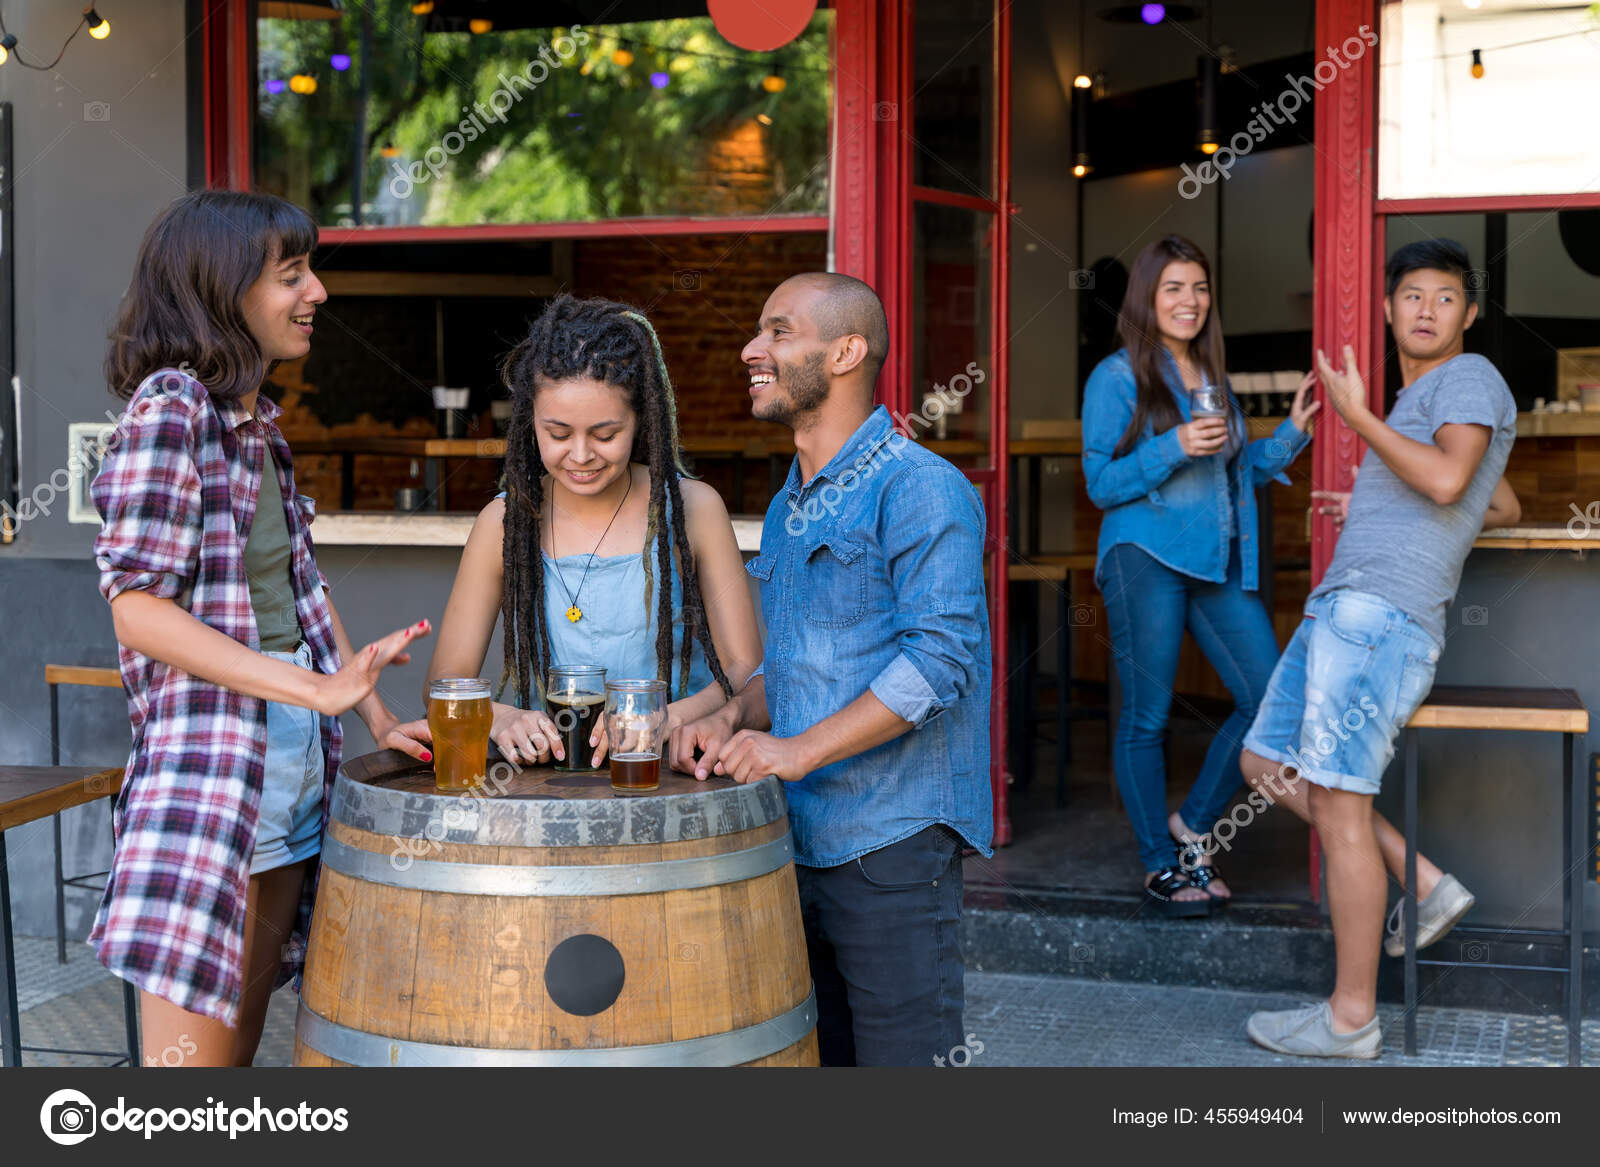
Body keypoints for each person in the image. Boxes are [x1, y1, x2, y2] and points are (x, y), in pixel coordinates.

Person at [91, 190, 431, 1066]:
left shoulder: (254, 426)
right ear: (221, 290)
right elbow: (135, 606)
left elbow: (300, 588)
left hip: (288, 766)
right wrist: (314, 687)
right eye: (291, 275)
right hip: (210, 779)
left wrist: (376, 716)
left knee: (235, 1070)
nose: (315, 291)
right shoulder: (173, 410)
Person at [671, 272, 992, 1067]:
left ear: (846, 352)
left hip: (891, 845)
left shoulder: (920, 489)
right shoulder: (790, 506)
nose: (752, 349)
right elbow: (802, 664)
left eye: (778, 332)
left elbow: (938, 664)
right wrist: (734, 717)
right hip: (795, 840)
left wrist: (796, 750)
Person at [1240, 238, 1521, 1058]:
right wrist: (1381, 497)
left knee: (1342, 811)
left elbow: (1443, 483)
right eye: (1411, 295)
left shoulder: (1469, 379)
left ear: (1469, 314)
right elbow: (1486, 498)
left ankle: (1350, 1018)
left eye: (1445, 297)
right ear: (1390, 307)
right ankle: (1423, 882)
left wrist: (1358, 418)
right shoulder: (1430, 400)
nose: (1426, 308)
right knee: (1266, 766)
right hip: (1344, 610)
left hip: (1379, 620)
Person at [391, 294, 762, 765]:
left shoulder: (693, 509)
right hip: (543, 784)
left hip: (668, 771)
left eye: (606, 435)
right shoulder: (504, 522)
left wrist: (667, 716)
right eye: (559, 434)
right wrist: (500, 717)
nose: (582, 455)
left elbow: (744, 667)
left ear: (640, 421)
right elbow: (443, 685)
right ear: (530, 425)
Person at [1081, 235, 1319, 916]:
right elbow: (1100, 482)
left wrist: (1293, 431)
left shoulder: (1211, 374)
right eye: (1174, 289)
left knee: (1268, 696)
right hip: (1144, 557)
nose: (1190, 301)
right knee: (1148, 717)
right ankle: (1161, 862)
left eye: (1200, 288)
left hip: (1214, 561)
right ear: (1148, 299)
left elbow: (1234, 469)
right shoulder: (1118, 376)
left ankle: (1193, 824)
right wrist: (1172, 445)